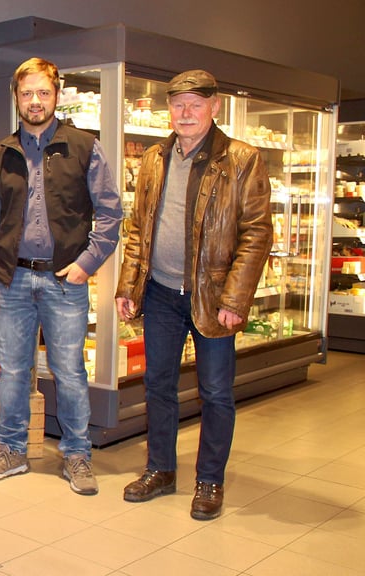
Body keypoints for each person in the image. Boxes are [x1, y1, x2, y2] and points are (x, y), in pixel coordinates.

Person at [115, 69, 272, 520]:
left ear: (214, 107)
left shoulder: (241, 159)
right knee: (158, 385)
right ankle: (161, 469)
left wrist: (235, 301)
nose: (185, 113)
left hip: (213, 297)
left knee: (216, 392)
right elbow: (138, 228)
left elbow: (256, 233)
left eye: (195, 104)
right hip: (162, 292)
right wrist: (129, 286)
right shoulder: (154, 157)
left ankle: (210, 481)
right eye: (178, 104)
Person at [0, 57, 122, 495]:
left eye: (42, 93)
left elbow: (111, 214)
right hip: (12, 281)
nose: (34, 101)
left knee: (70, 372)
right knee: (13, 372)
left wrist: (87, 263)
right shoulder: (0, 153)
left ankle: (77, 456)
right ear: (16, 97)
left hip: (64, 281)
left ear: (56, 95)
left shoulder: (84, 147)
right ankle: (12, 452)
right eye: (26, 93)